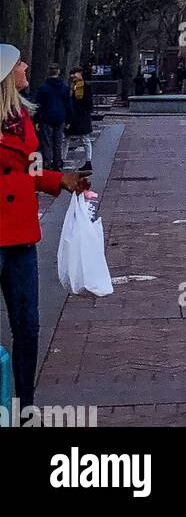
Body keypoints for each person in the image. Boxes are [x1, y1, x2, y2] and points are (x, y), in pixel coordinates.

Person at [0, 45, 89, 411]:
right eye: (19, 63)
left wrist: (63, 180)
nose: (25, 66)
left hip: (20, 237)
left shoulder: (24, 116)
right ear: (6, 76)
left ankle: (25, 404)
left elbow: (32, 169)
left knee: (28, 326)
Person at [32, 64, 71, 173]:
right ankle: (57, 163)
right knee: (58, 141)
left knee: (46, 141)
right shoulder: (64, 87)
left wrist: (37, 119)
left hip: (46, 117)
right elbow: (68, 104)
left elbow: (39, 104)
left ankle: (47, 163)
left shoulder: (44, 87)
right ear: (58, 71)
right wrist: (68, 119)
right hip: (60, 116)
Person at [66, 70, 94, 173]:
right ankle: (62, 159)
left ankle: (88, 161)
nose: (73, 76)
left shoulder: (84, 86)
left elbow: (88, 102)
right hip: (76, 116)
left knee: (84, 138)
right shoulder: (72, 85)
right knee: (68, 138)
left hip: (80, 116)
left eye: (75, 73)